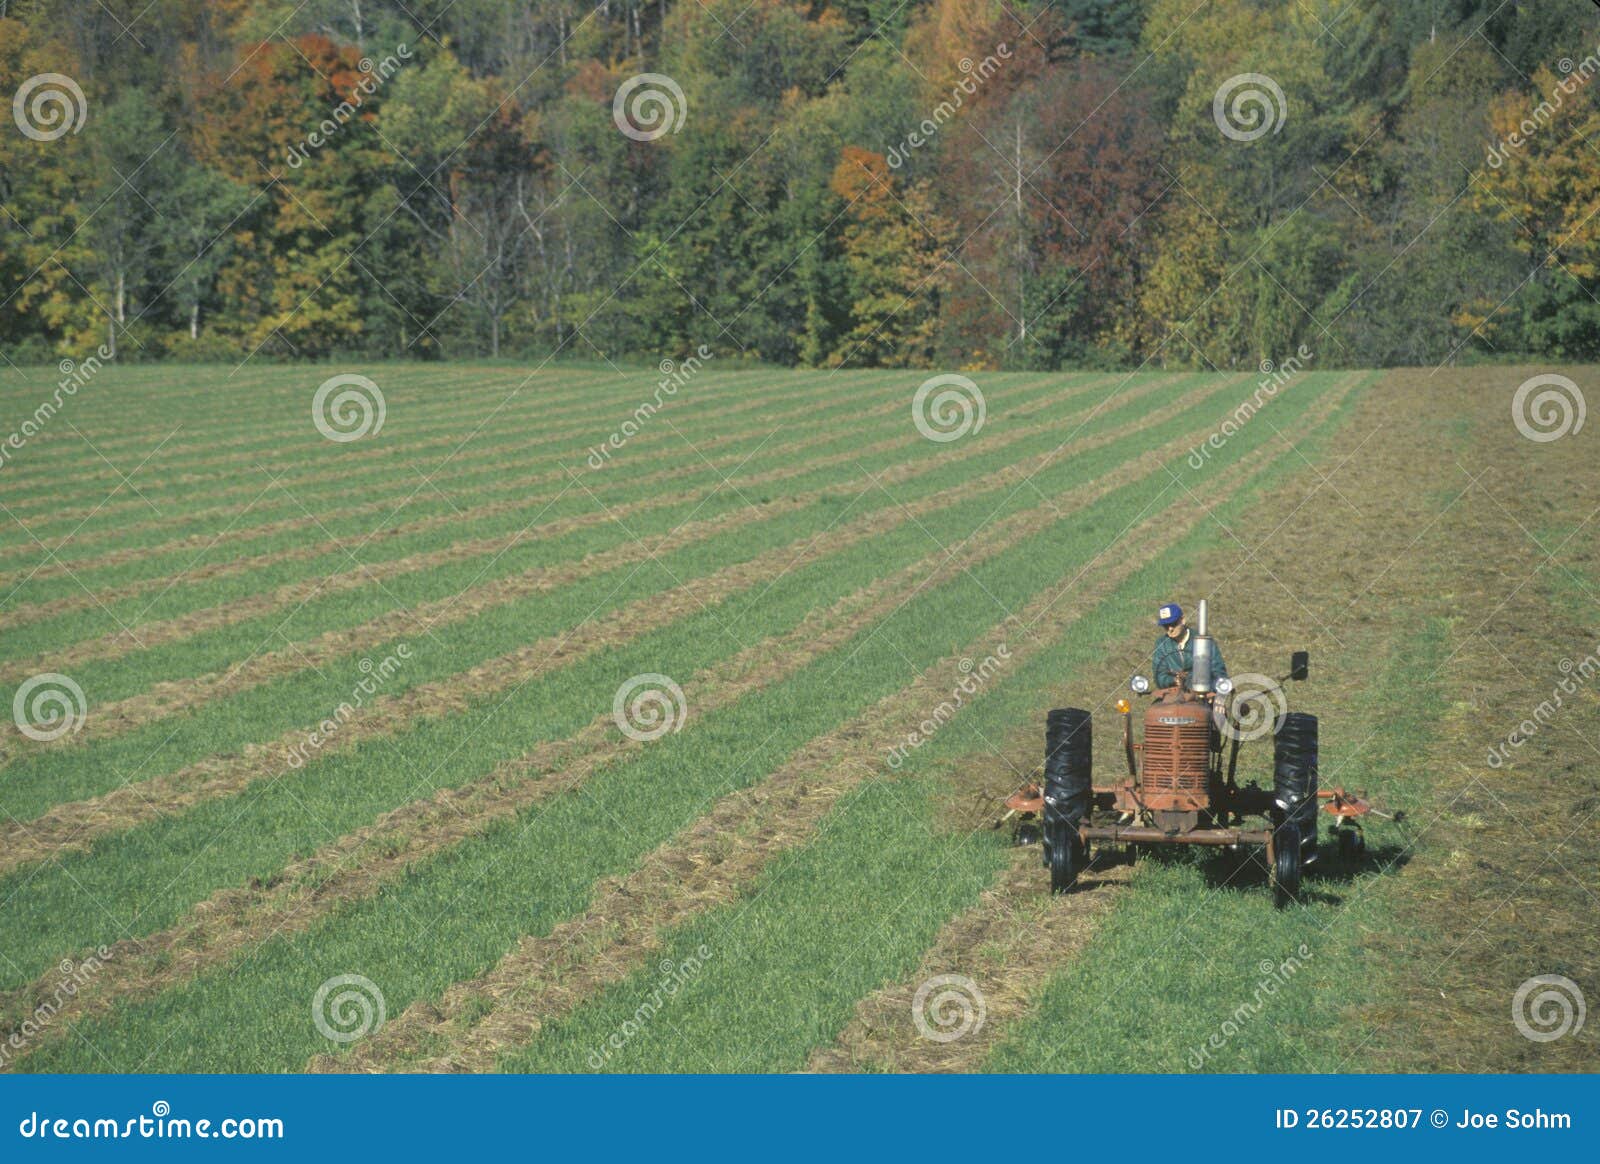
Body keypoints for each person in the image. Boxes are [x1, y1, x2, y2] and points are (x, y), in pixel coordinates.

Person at [1153, 603, 1228, 690]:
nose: (1170, 629)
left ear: (1183, 620)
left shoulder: (1204, 641)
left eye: (1173, 624)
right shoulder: (1161, 644)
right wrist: (1173, 680)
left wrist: (1196, 680)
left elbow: (1218, 671)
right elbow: (1159, 675)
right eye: (1166, 626)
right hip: (1174, 692)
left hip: (1204, 691)